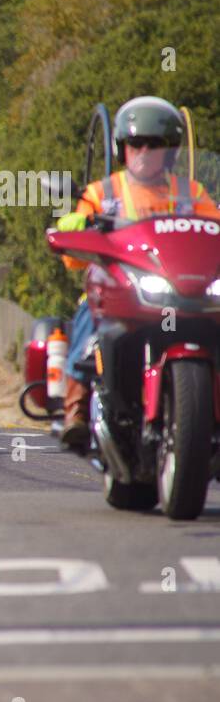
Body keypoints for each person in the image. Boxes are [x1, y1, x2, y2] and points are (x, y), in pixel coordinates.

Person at [53, 95, 219, 451]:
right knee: (87, 324)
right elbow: (74, 229)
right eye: (136, 143)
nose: (144, 151)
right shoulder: (104, 192)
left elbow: (214, 228)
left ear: (171, 151)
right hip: (121, 288)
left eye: (155, 144)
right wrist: (77, 223)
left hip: (183, 289)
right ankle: (76, 413)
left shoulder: (191, 193)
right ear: (121, 147)